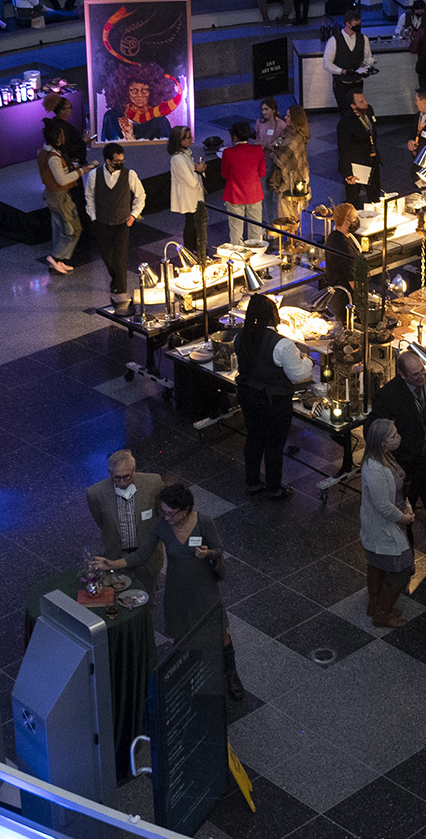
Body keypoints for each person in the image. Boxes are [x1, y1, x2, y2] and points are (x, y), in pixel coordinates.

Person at [96, 483, 241, 698]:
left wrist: (208, 553)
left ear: (185, 510)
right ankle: (188, 678)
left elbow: (219, 549)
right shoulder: (162, 525)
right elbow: (141, 555)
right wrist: (112, 564)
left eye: (171, 514)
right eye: (163, 512)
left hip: (204, 589)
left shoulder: (203, 522)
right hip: (177, 590)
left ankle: (231, 674)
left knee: (219, 634)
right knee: (181, 636)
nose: (166, 517)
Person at [371, 351, 426, 557]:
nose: (422, 377)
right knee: (405, 515)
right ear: (402, 374)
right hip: (409, 464)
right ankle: (405, 560)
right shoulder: (389, 396)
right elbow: (375, 429)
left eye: (422, 371)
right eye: (415, 375)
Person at [235, 294, 314, 499]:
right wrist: (308, 361)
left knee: (253, 439)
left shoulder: (240, 337)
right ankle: (274, 489)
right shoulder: (282, 345)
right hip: (274, 401)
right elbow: (297, 375)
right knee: (274, 444)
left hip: (247, 396)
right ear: (273, 316)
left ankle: (252, 483)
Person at [358, 418, 415, 628]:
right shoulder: (374, 469)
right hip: (384, 527)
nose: (398, 437)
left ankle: (375, 604)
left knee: (376, 563)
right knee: (401, 568)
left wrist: (407, 504)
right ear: (382, 442)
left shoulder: (384, 457)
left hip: (389, 522)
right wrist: (405, 518)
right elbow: (383, 506)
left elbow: (399, 490)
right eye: (393, 436)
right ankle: (382, 613)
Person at [85, 449, 166, 595]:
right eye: (117, 478)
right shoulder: (96, 494)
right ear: (110, 473)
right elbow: (102, 523)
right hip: (116, 556)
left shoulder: (153, 483)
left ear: (134, 470)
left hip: (147, 558)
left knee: (149, 598)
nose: (122, 482)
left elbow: (160, 512)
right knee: (118, 598)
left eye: (126, 477)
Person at [84, 143, 144, 309]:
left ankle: (121, 292)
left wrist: (133, 215)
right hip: (102, 222)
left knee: (121, 257)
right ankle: (115, 278)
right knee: (106, 256)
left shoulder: (129, 174)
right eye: (117, 160)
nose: (121, 163)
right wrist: (94, 217)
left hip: (122, 223)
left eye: (122, 160)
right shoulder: (95, 175)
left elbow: (141, 195)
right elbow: (89, 196)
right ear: (108, 160)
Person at [221, 122, 267, 245]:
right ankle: (257, 258)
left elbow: (224, 175)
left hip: (234, 196)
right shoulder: (258, 150)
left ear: (234, 137)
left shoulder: (228, 153)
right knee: (256, 230)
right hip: (254, 194)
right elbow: (262, 173)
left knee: (236, 232)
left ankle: (237, 260)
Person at [166, 126, 207, 260]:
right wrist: (198, 170)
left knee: (194, 224)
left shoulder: (185, 154)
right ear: (180, 141)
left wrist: (196, 168)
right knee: (191, 224)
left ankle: (196, 247)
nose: (191, 140)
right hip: (189, 197)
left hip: (193, 196)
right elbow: (191, 181)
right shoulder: (178, 159)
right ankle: (190, 251)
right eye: (188, 137)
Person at [269, 104, 313, 229]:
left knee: (287, 217)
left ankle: (291, 242)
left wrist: (273, 152)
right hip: (298, 181)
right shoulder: (294, 134)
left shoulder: (294, 139)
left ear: (295, 119)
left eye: (288, 116)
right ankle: (293, 241)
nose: (285, 117)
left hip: (290, 183)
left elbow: (280, 159)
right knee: (293, 216)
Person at [337, 88, 381, 209]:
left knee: (375, 198)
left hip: (372, 161)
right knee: (352, 202)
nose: (365, 103)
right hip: (356, 166)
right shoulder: (345, 123)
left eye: (364, 100)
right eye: (361, 102)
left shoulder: (369, 110)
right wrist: (348, 174)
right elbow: (343, 150)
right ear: (352, 105)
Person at [323, 7, 373, 103]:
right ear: (347, 24)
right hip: (341, 84)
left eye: (359, 24)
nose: (358, 27)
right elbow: (327, 64)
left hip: (358, 83)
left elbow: (368, 57)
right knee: (345, 111)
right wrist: (342, 71)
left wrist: (366, 68)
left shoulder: (363, 38)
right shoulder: (334, 40)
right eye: (356, 25)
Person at [320, 202, 362, 293]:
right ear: (346, 223)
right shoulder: (344, 247)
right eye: (354, 219)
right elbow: (353, 282)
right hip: (345, 297)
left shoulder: (333, 236)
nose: (357, 221)